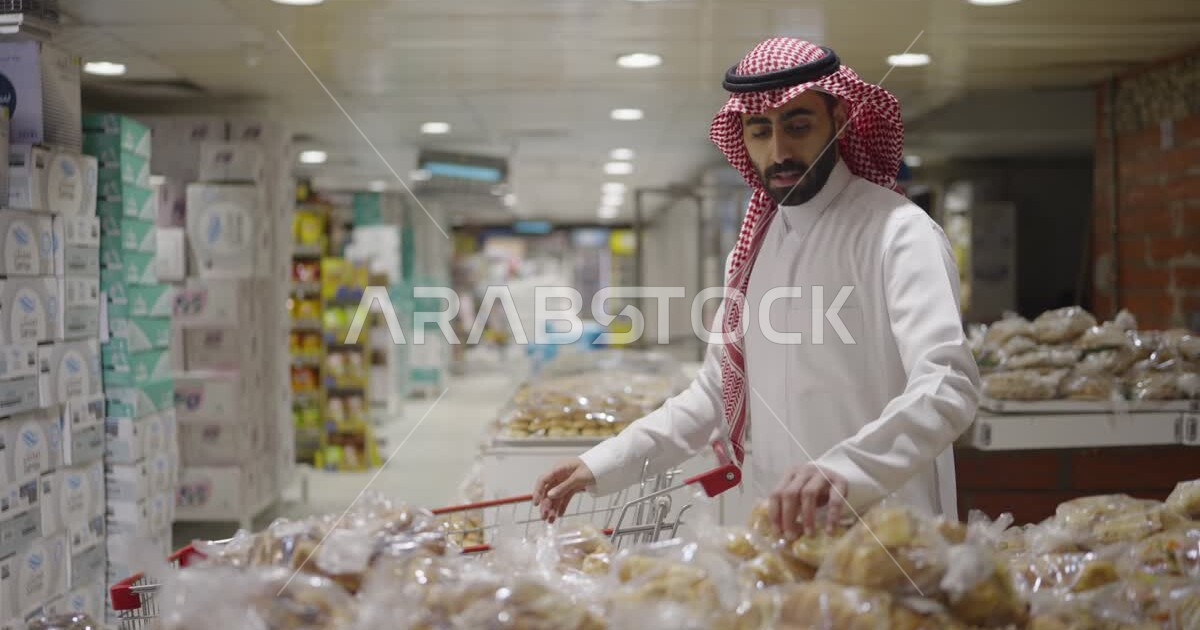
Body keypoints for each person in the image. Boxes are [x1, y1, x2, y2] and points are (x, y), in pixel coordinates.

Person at [532, 38, 980, 539]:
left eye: (798, 126)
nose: (780, 151)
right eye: (760, 131)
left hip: (888, 535)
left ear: (839, 118)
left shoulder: (897, 231)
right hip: (778, 537)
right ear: (740, 137)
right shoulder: (753, 250)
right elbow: (716, 395)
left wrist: (850, 471)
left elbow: (948, 383)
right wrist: (602, 463)